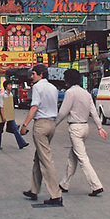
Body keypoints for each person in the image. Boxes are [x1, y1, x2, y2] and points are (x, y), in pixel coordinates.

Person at [55, 68, 107, 196]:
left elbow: (63, 112)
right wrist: (99, 127)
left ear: (68, 80)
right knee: (73, 157)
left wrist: (53, 124)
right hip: (85, 127)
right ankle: (64, 183)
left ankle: (96, 185)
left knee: (82, 158)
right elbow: (94, 112)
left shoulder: (70, 93)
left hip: (75, 128)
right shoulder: (86, 93)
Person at [19, 64, 63, 206]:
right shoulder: (53, 88)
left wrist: (25, 124)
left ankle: (55, 195)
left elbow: (34, 106)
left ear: (41, 75)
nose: (32, 77)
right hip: (51, 125)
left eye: (33, 74)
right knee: (39, 157)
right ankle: (34, 189)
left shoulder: (38, 87)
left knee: (45, 160)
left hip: (41, 125)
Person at [0, 81, 28, 150]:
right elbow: (1, 107)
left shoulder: (11, 94)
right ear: (6, 86)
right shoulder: (2, 95)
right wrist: (3, 117)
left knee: (15, 128)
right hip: (3, 114)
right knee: (0, 130)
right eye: (9, 85)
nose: (11, 86)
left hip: (9, 114)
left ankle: (21, 143)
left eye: (11, 85)